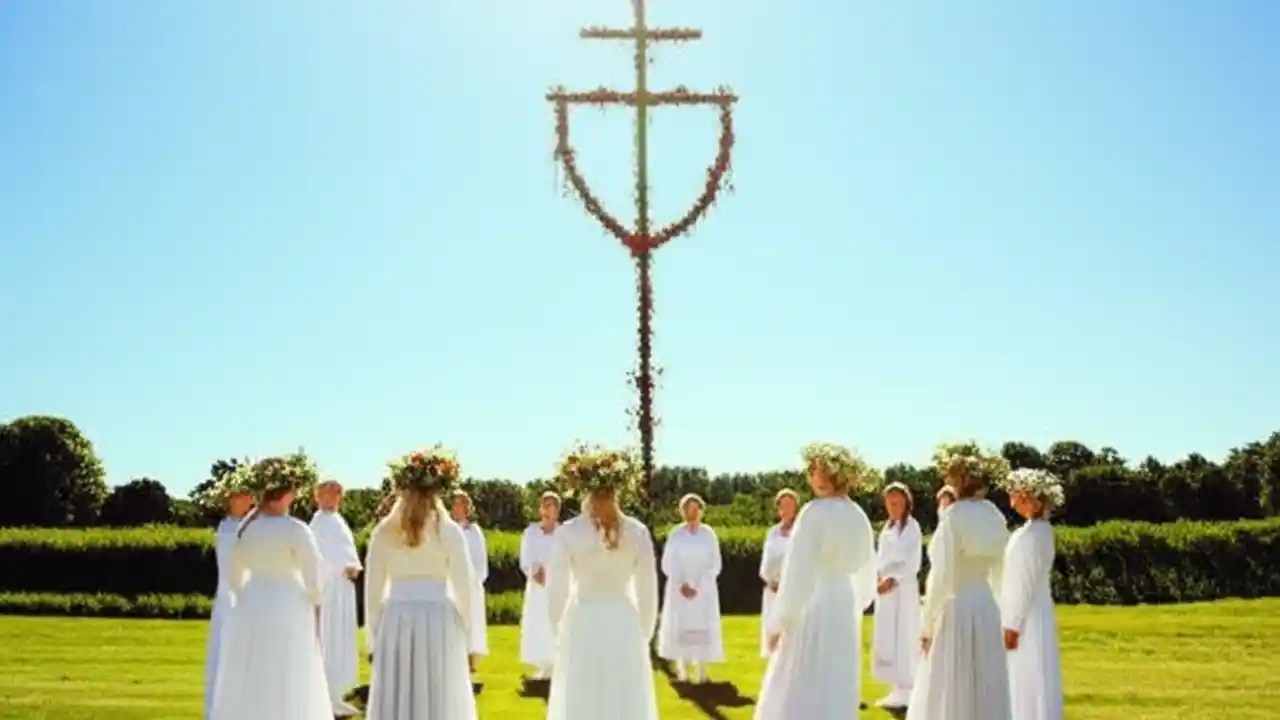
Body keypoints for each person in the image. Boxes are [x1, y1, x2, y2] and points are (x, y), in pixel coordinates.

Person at [754, 443, 878, 720]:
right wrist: (856, 601)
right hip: (845, 601)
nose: (810, 476)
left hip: (816, 598)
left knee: (802, 674)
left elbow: (798, 573)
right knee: (836, 677)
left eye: (814, 470)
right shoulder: (859, 516)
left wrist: (779, 622)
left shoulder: (813, 513)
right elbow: (868, 571)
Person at [210, 454, 332, 720]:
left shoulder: (244, 529)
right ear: (286, 493)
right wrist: (315, 597)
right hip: (288, 605)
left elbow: (233, 577)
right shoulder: (296, 530)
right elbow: (315, 581)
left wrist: (250, 593)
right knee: (290, 671)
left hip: (251, 603)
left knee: (251, 671)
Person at [546, 443, 660, 720]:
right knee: (623, 694)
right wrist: (644, 630)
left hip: (584, 618)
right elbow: (648, 589)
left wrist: (557, 627)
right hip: (623, 619)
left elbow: (556, 589)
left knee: (584, 693)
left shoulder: (569, 532)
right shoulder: (637, 531)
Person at [364, 446, 477, 720]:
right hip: (439, 619)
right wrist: (468, 632)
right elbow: (465, 588)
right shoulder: (448, 531)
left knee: (398, 692)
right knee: (439, 694)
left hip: (397, 617)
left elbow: (372, 590)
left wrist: (375, 633)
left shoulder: (384, 532)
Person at [906, 442, 1013, 720]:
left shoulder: (954, 517)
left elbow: (940, 576)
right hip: (987, 605)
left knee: (951, 680)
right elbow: (1002, 570)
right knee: (984, 680)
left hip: (957, 607)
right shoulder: (994, 515)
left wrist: (927, 624)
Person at [1000, 468, 1065, 720]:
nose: (1012, 498)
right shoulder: (1038, 530)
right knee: (1030, 670)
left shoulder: (1031, 535)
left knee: (1027, 670)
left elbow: (1023, 582)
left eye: (1015, 493)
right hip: (1036, 608)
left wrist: (1013, 624)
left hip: (1027, 614)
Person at [657, 493, 725, 683]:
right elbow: (669, 562)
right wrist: (682, 583)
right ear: (682, 512)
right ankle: (684, 671)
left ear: (701, 511)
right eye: (688, 509)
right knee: (682, 628)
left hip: (704, 591)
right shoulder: (676, 534)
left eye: (696, 509)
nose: (692, 513)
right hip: (680, 591)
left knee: (702, 629)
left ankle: (702, 673)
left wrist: (697, 585)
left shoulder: (708, 534)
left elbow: (715, 563)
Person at [203, 468, 254, 720]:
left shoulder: (250, 525)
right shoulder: (227, 529)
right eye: (241, 495)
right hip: (229, 598)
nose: (247, 499)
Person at [310, 479, 362, 717]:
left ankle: (340, 693)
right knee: (329, 640)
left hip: (343, 590)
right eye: (327, 494)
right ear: (317, 497)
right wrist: (345, 567)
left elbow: (346, 550)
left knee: (342, 639)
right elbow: (321, 555)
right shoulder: (319, 522)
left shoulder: (337, 520)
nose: (331, 498)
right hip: (330, 590)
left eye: (336, 494)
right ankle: (329, 698)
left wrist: (353, 566)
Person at [871, 482, 923, 710]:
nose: (893, 507)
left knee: (906, 634)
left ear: (906, 503)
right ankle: (896, 687)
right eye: (890, 503)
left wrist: (893, 579)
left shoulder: (913, 528)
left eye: (897, 503)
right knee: (888, 636)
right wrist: (878, 580)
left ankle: (909, 687)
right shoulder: (886, 529)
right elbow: (879, 559)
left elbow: (913, 561)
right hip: (886, 592)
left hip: (904, 588)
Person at [518, 491, 562, 679]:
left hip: (558, 586)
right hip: (537, 586)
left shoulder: (564, 533)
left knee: (555, 623)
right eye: (543, 505)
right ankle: (542, 665)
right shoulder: (531, 532)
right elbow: (525, 557)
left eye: (550, 505)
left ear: (557, 510)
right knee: (537, 623)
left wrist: (551, 573)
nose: (546, 509)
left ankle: (556, 664)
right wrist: (534, 571)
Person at [758, 489, 799, 658]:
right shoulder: (772, 532)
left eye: (790, 505)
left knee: (790, 632)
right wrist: (770, 580)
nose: (786, 509)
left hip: (792, 589)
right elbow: (766, 561)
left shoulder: (801, 532)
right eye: (783, 505)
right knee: (772, 631)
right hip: (772, 590)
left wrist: (787, 581)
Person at [450, 489, 488, 674]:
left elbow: (480, 559)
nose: (457, 508)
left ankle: (471, 661)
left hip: (471, 585)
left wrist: (475, 579)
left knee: (472, 622)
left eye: (461, 504)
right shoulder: (448, 529)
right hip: (452, 584)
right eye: (455, 504)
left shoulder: (474, 531)